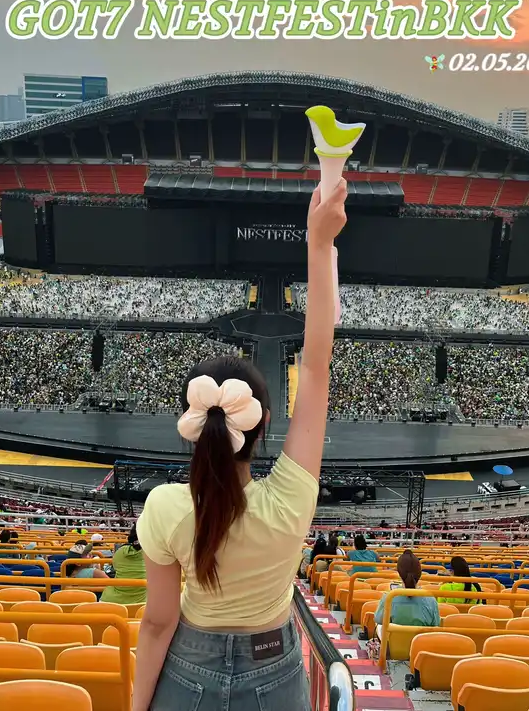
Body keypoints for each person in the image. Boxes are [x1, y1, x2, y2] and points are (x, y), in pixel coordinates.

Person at [132, 180, 347, 711]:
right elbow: (315, 368)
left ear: (192, 424)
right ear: (264, 422)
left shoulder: (164, 507)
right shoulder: (290, 500)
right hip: (275, 673)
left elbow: (158, 623)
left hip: (186, 669)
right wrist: (319, 245)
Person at [375, 551, 440, 629]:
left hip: (393, 637)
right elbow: (436, 624)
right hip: (420, 637)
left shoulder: (389, 598)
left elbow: (378, 620)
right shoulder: (431, 601)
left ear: (399, 573)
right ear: (419, 573)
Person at [101, 524, 147, 607]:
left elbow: (115, 567)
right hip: (142, 605)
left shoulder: (120, 551)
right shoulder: (154, 553)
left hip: (110, 603)